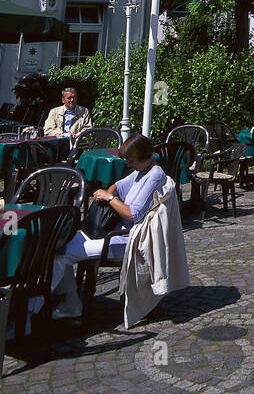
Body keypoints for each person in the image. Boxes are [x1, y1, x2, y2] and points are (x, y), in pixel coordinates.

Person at [51, 134, 170, 319]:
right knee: (58, 244)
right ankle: (67, 301)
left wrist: (110, 198)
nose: (129, 165)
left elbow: (133, 214)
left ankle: (45, 304)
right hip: (113, 232)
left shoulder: (155, 175)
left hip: (127, 239)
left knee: (63, 252)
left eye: (131, 161)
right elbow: (117, 185)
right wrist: (110, 192)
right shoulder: (142, 170)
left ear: (143, 157)